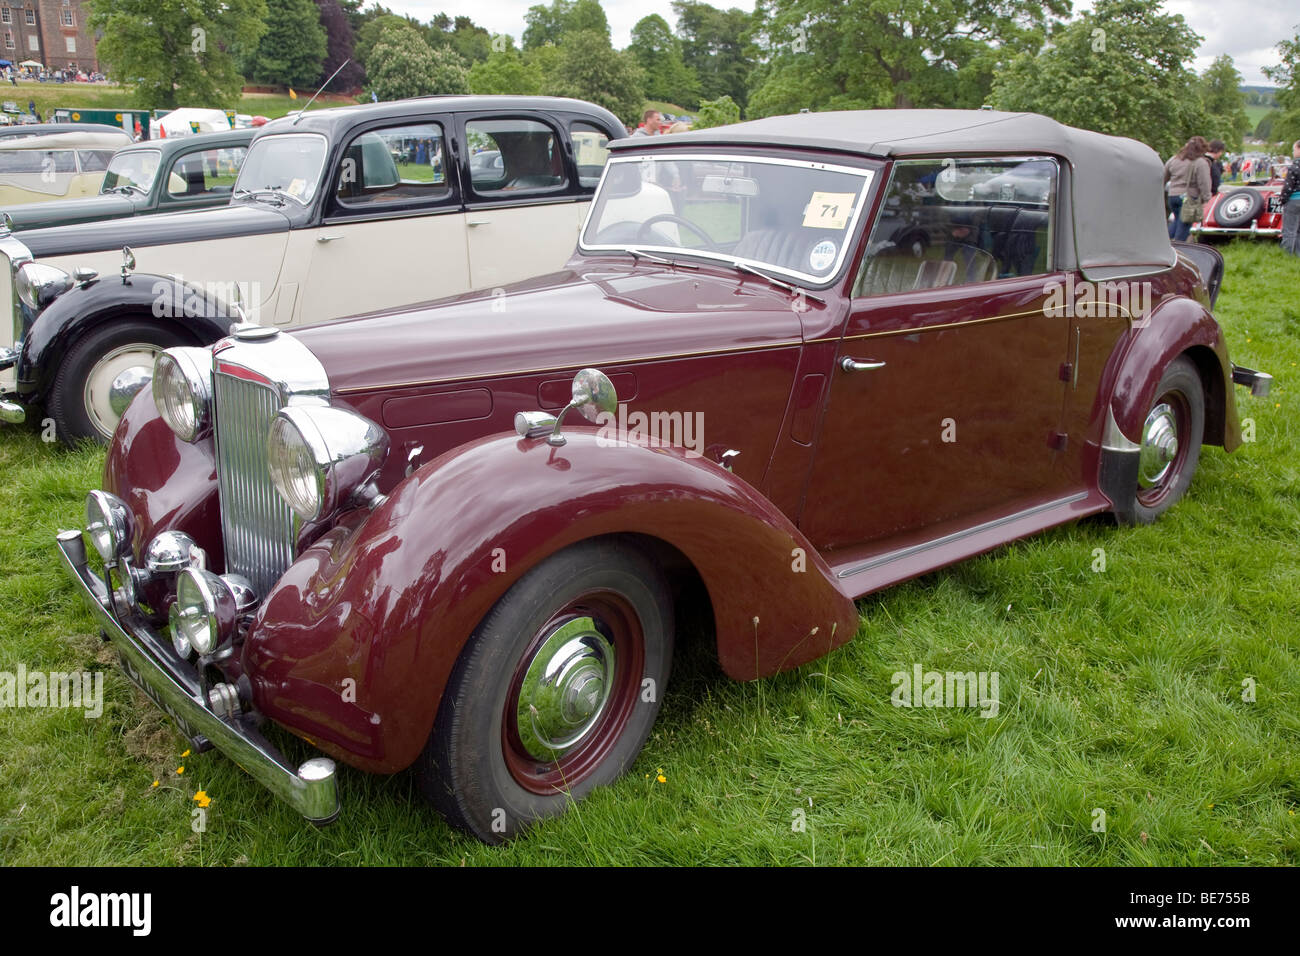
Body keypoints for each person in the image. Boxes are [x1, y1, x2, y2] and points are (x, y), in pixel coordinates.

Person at [1163, 136, 1211, 242]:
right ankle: (1179, 249)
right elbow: (1204, 182)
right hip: (1188, 198)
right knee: (1184, 227)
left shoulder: (1174, 159)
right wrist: (1207, 198)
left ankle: (1162, 242)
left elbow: (1164, 177)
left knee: (1177, 222)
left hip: (1172, 196)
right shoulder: (1200, 162)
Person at [1280, 140, 1300, 256]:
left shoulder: (1294, 167)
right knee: (1299, 231)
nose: (1293, 152)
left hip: (1294, 200)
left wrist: (1283, 199)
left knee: (1289, 230)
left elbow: (1288, 186)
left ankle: (1287, 255)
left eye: (1294, 150)